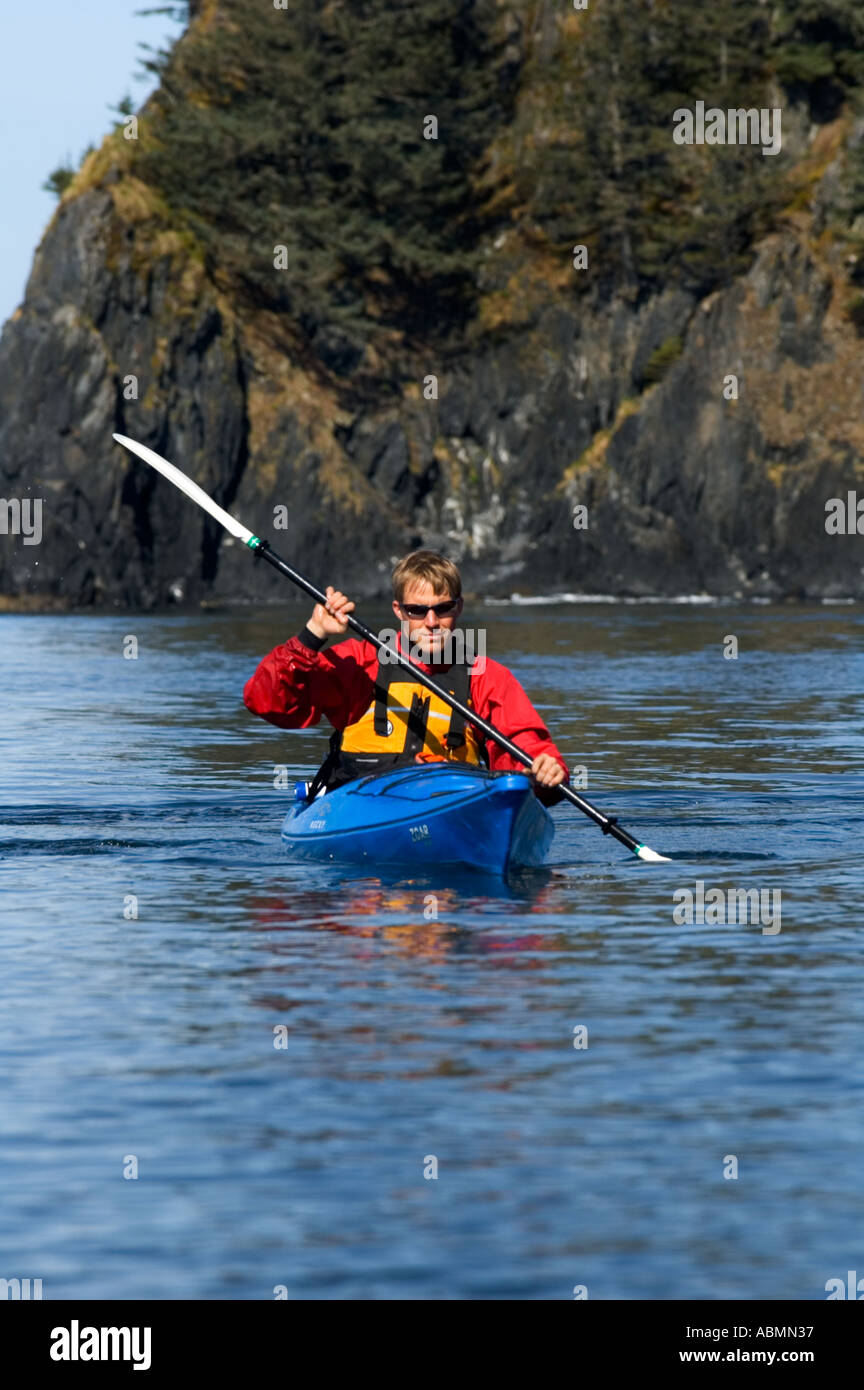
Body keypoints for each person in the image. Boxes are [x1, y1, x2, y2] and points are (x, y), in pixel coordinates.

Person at [243, 550, 569, 803]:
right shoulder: (359, 663)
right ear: (399, 611)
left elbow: (525, 746)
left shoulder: (487, 677)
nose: (431, 621)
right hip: (361, 802)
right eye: (417, 610)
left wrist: (544, 771)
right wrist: (312, 635)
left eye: (442, 609)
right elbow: (267, 702)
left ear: (458, 608)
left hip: (450, 804)